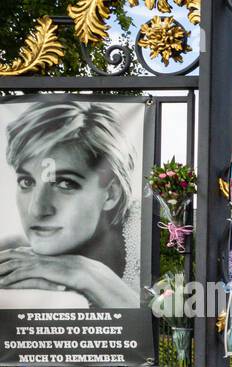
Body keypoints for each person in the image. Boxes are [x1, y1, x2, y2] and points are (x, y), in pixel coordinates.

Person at [0, 100, 139, 308]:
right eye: (26, 182)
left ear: (110, 194)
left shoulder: (147, 235)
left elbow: (169, 327)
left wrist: (87, 274)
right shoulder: (14, 254)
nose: (37, 210)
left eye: (65, 184)